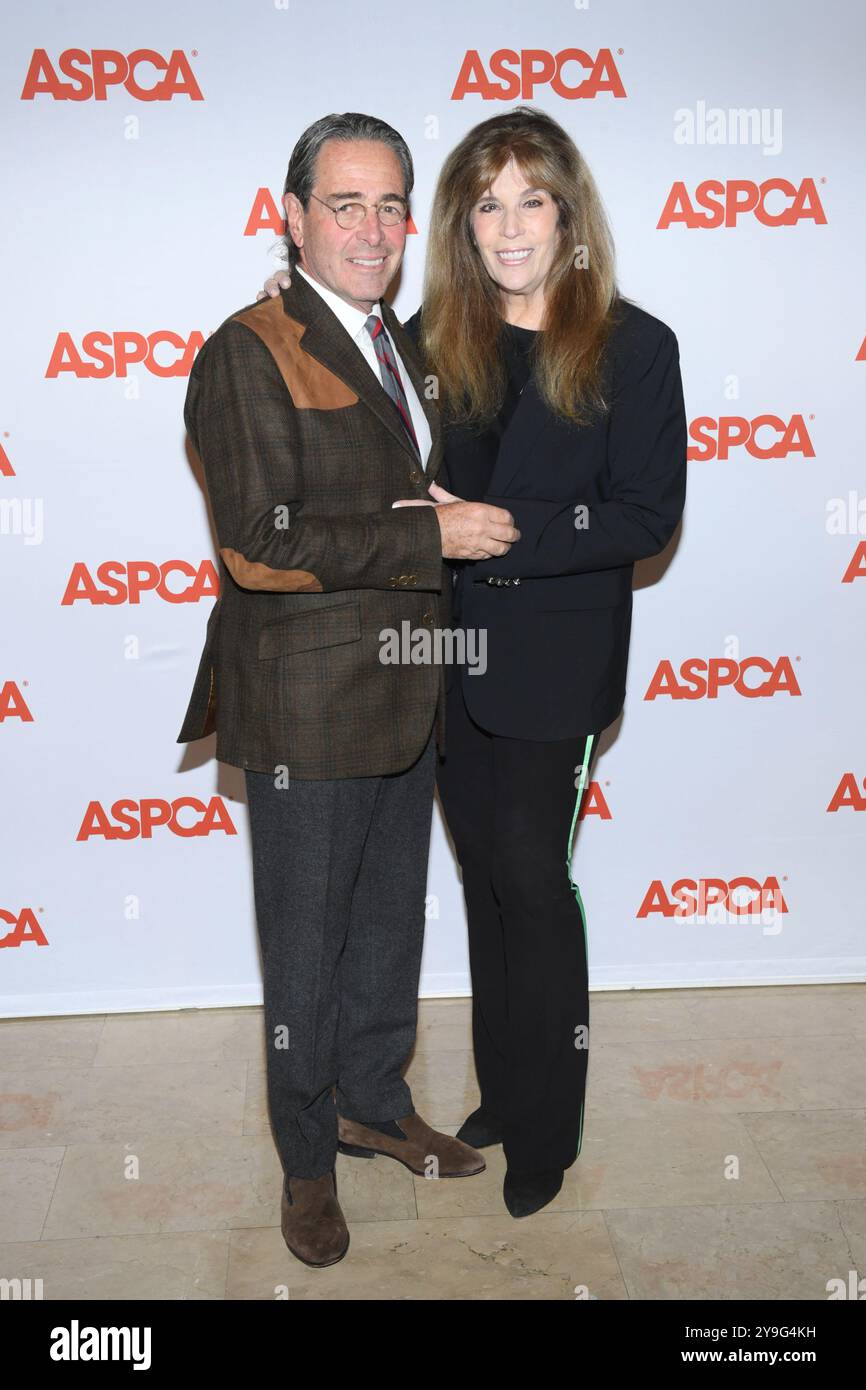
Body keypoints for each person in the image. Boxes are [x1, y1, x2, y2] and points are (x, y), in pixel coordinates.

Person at [262, 105, 688, 1219]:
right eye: (486, 204)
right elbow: (355, 431)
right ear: (460, 221)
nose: (508, 227)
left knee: (533, 885)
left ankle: (550, 1124)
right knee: (485, 883)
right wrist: (286, 326)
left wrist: (504, 528)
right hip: (443, 664)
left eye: (530, 201)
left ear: (566, 213)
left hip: (555, 667)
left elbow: (645, 513)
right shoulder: (430, 341)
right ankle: (503, 1091)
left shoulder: (635, 346)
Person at [179, 112, 520, 1267]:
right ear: (291, 217)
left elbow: (400, 475)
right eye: (344, 204)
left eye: (389, 205)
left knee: (384, 929)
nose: (371, 229)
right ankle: (306, 1163)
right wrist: (433, 535)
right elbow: (258, 539)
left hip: (407, 687)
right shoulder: (248, 347)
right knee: (306, 944)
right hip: (306, 706)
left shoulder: (404, 346)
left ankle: (375, 1101)